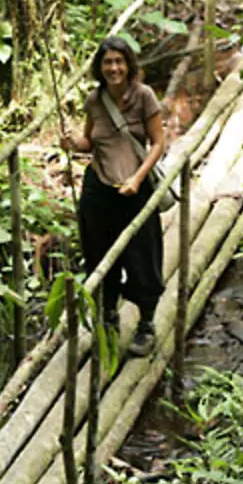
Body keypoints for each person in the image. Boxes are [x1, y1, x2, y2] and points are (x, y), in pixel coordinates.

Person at [59, 36, 166, 357]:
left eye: (119, 62)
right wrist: (72, 143)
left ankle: (146, 324)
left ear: (129, 65)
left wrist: (137, 178)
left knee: (143, 256)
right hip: (99, 189)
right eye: (108, 63)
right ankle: (108, 316)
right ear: (100, 67)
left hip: (135, 190)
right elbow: (91, 141)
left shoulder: (144, 96)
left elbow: (158, 143)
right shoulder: (95, 100)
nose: (114, 68)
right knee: (98, 254)